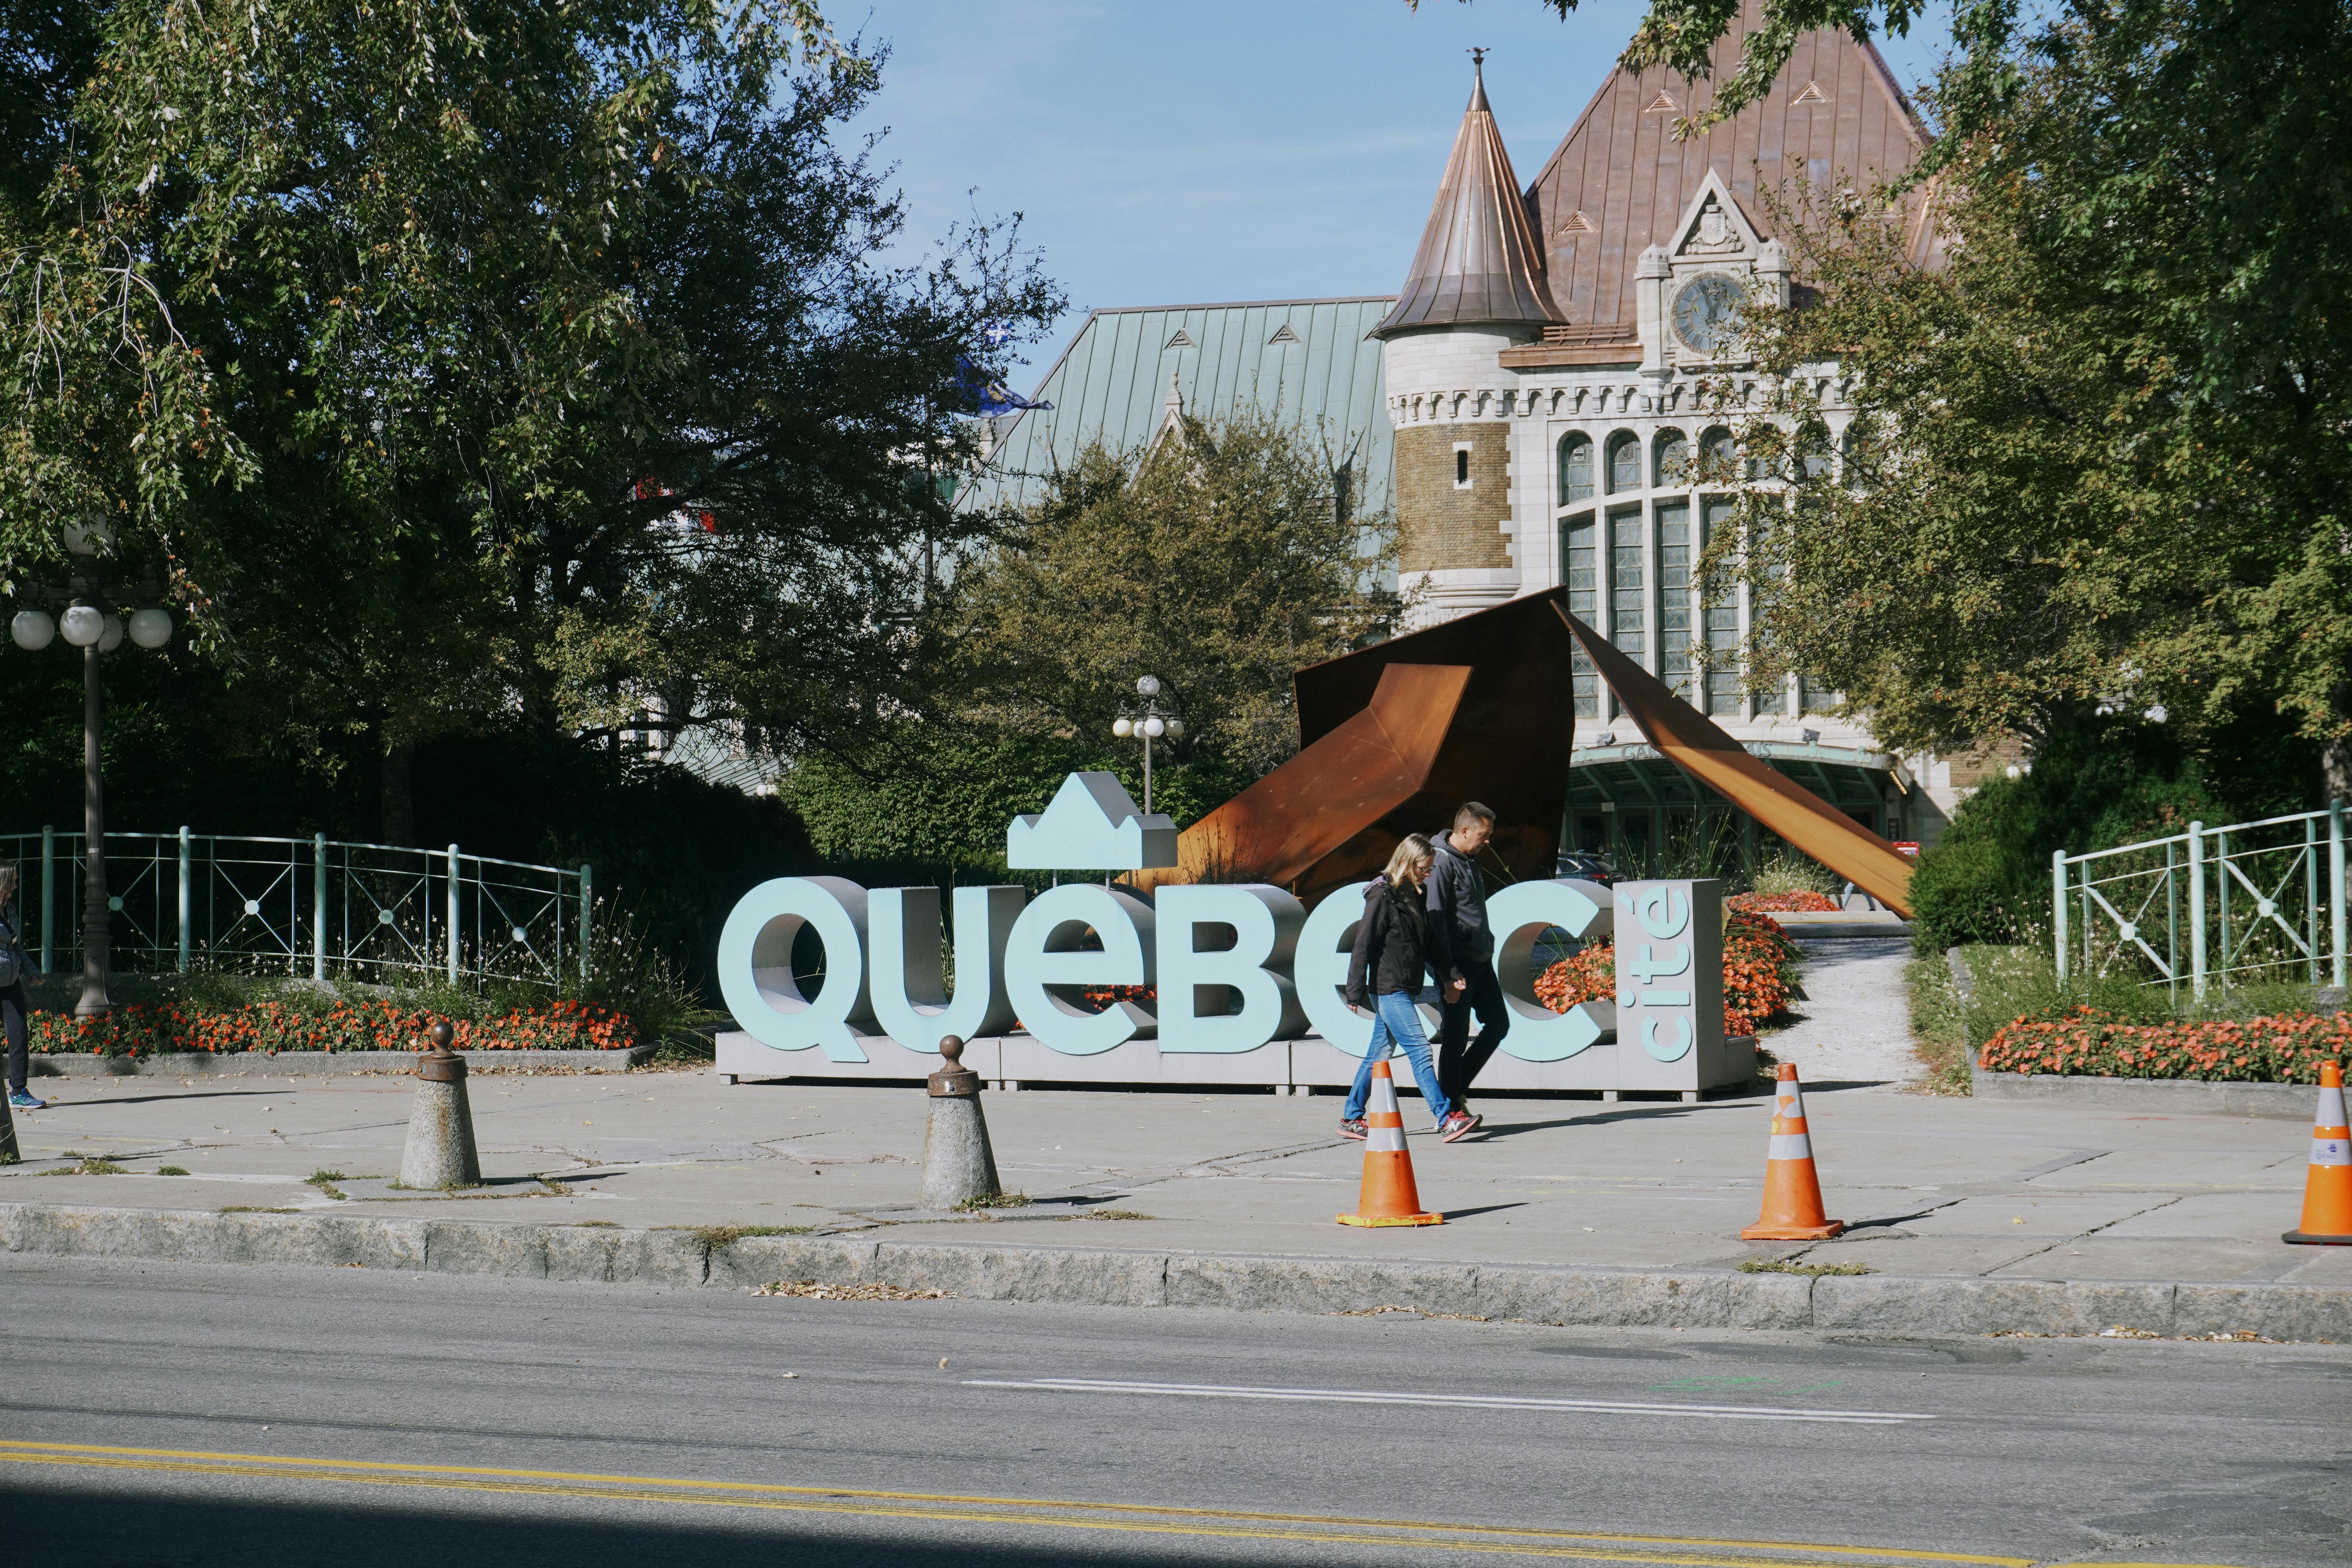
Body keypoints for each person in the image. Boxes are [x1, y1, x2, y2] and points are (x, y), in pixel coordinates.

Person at [1337, 835, 1482, 1144]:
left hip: (1405, 985)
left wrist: (1451, 974)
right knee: (1420, 1049)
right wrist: (1354, 991)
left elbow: (1430, 945)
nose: (1428, 873)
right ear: (1407, 861)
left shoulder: (1416, 892)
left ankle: (1351, 1117)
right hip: (1388, 988)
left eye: (1430, 869)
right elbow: (1363, 944)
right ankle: (1446, 1118)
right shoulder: (1381, 895)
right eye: (1424, 868)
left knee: (1379, 1054)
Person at [1428, 801, 1509, 1117]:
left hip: (1480, 960)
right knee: (1456, 1036)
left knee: (1499, 1024)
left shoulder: (1471, 858)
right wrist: (1448, 973)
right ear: (1464, 831)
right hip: (1457, 965)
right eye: (1483, 834)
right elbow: (1435, 923)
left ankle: (1451, 1090)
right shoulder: (1441, 863)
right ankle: (1450, 1108)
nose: (1488, 841)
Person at [0, 864, 39, 1111]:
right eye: (12, 881)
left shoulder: (9, 910)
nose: (16, 886)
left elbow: (16, 945)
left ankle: (18, 1091)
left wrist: (31, 970)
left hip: (10, 982)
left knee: (18, 1034)